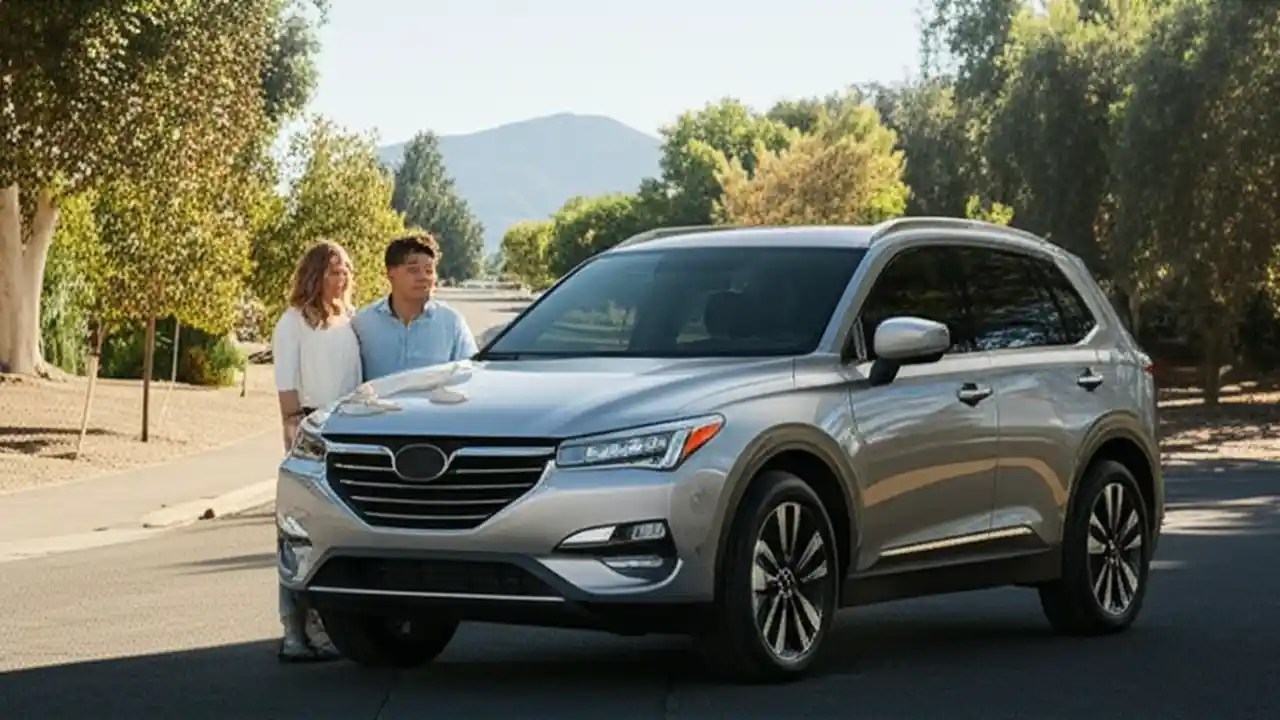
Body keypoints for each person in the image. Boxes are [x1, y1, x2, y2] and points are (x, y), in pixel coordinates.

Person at [271, 240, 363, 662]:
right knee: (297, 533)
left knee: (333, 532)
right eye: (332, 270)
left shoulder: (350, 321)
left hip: (347, 433)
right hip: (309, 430)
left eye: (345, 269)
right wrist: (293, 429)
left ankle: (324, 627)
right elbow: (286, 382)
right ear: (313, 275)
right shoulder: (293, 322)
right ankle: (294, 631)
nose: (340, 276)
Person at [352, 233, 478, 381]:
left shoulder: (451, 323)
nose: (423, 277)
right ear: (390, 273)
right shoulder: (363, 324)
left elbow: (471, 376)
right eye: (413, 270)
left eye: (429, 270)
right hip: (377, 404)